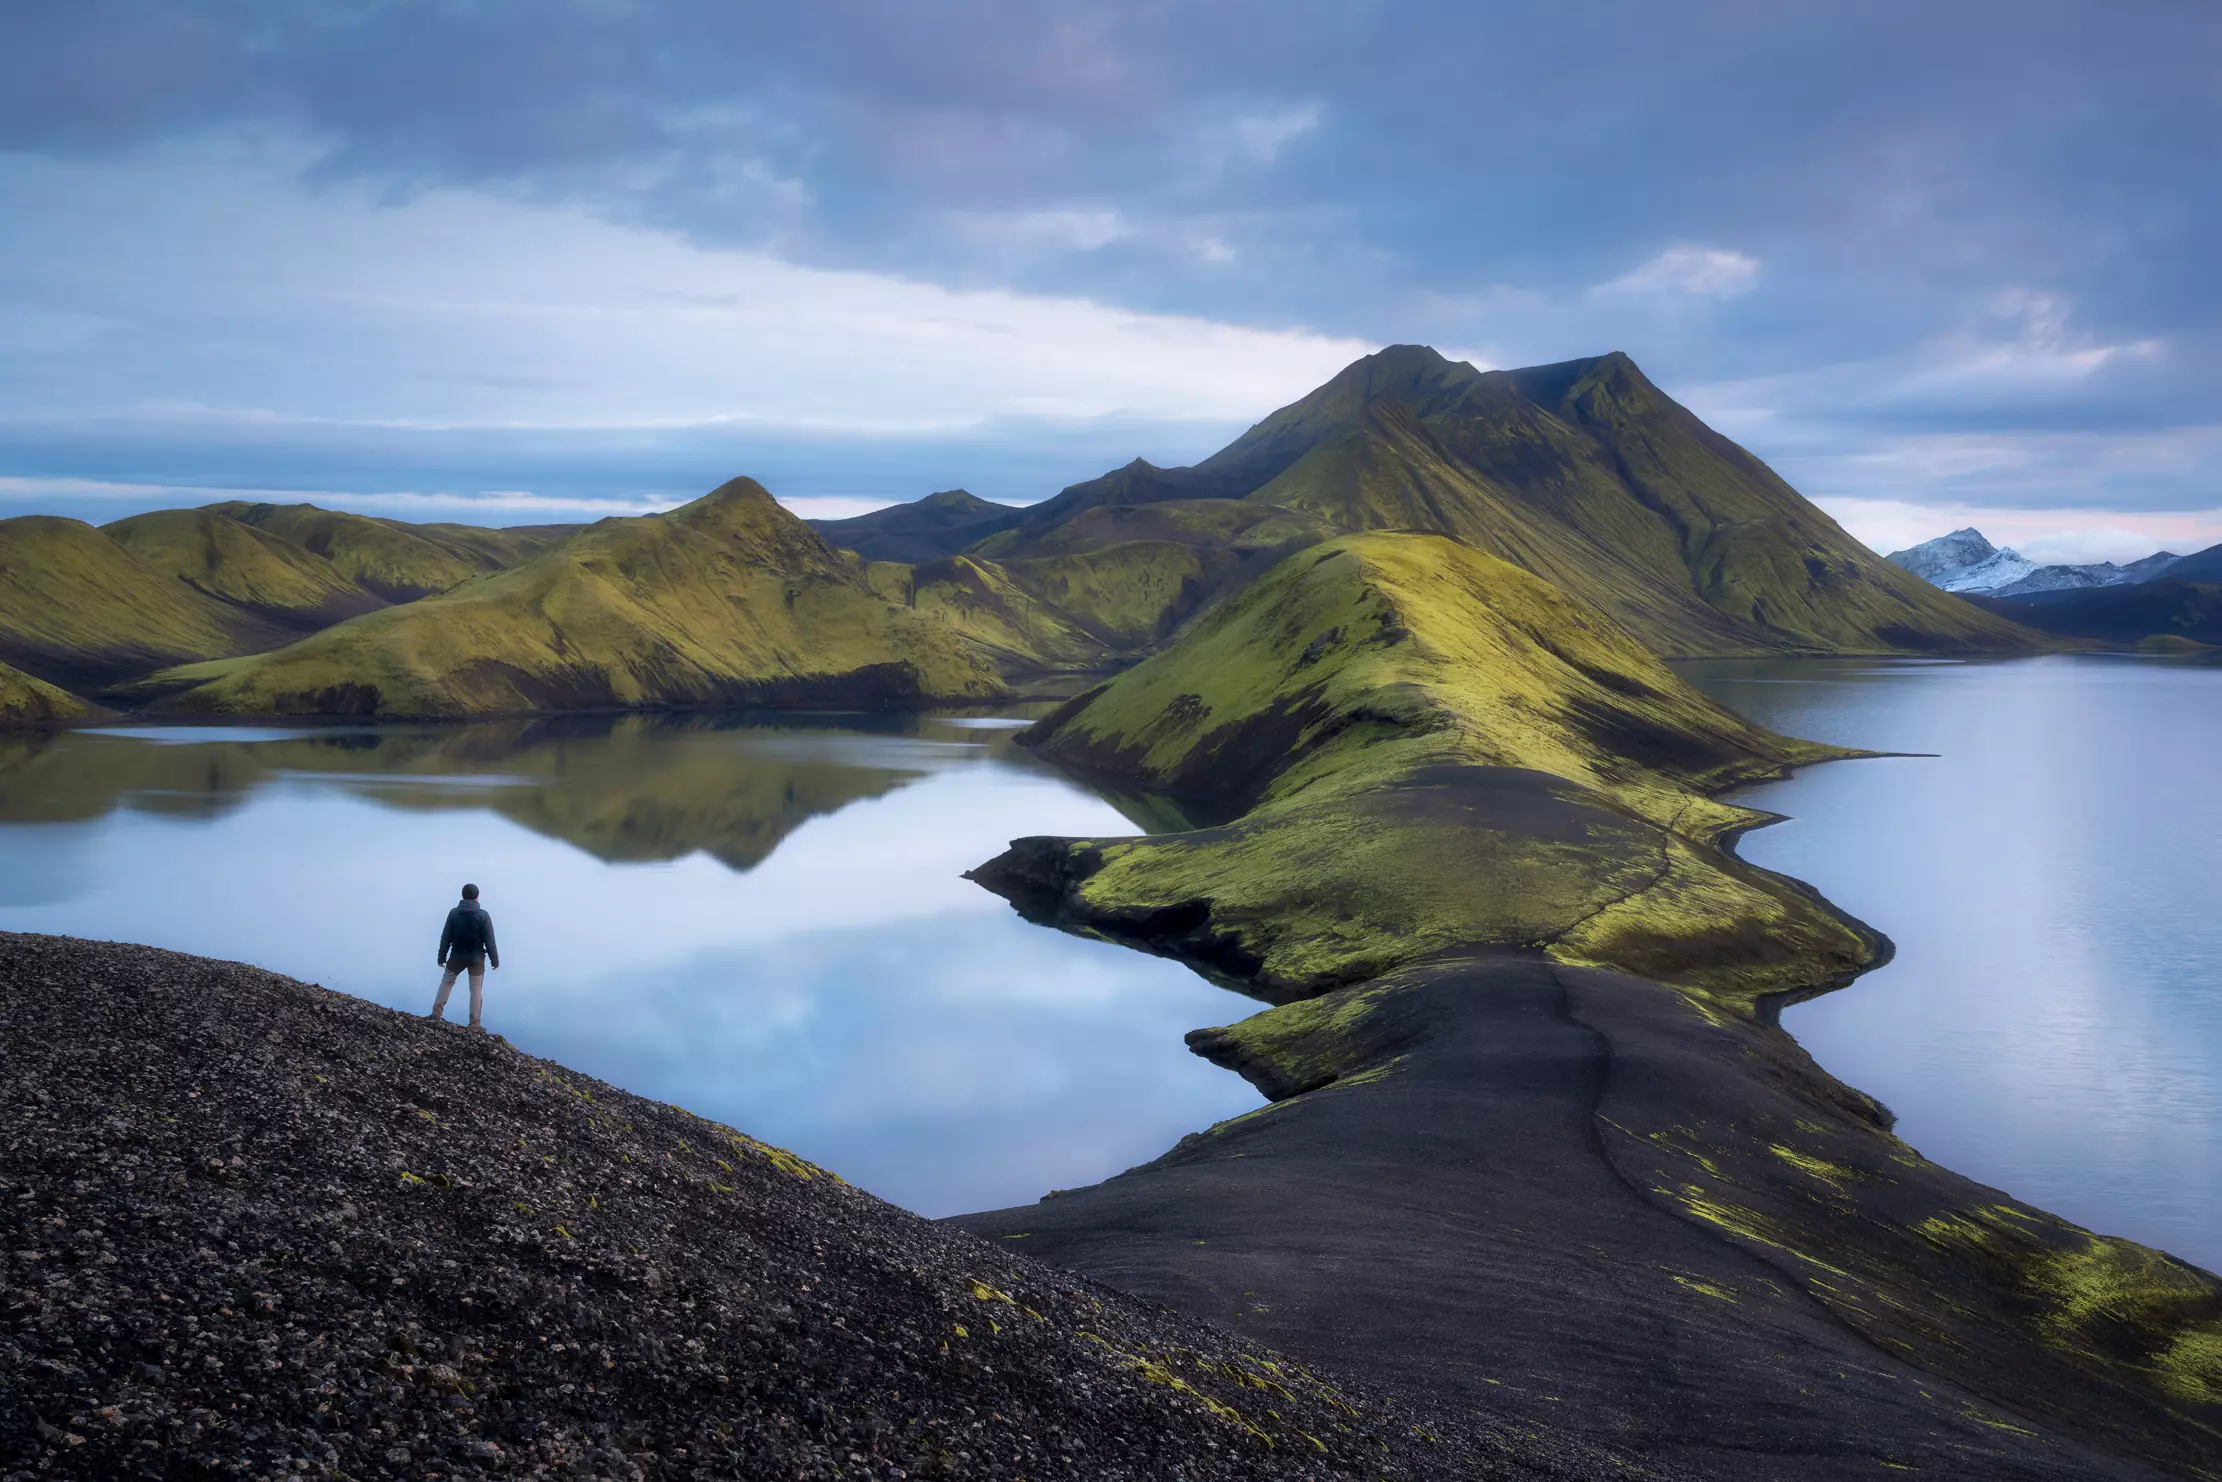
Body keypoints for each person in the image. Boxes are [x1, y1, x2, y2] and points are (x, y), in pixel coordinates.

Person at [431, 883, 501, 1030]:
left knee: (447, 982)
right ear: (477, 897)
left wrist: (441, 957)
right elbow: (490, 939)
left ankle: (436, 1015)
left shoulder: (453, 913)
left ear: (463, 896)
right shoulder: (483, 915)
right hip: (476, 957)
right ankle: (474, 1024)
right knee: (475, 989)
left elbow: (446, 937)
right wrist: (494, 960)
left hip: (456, 955)